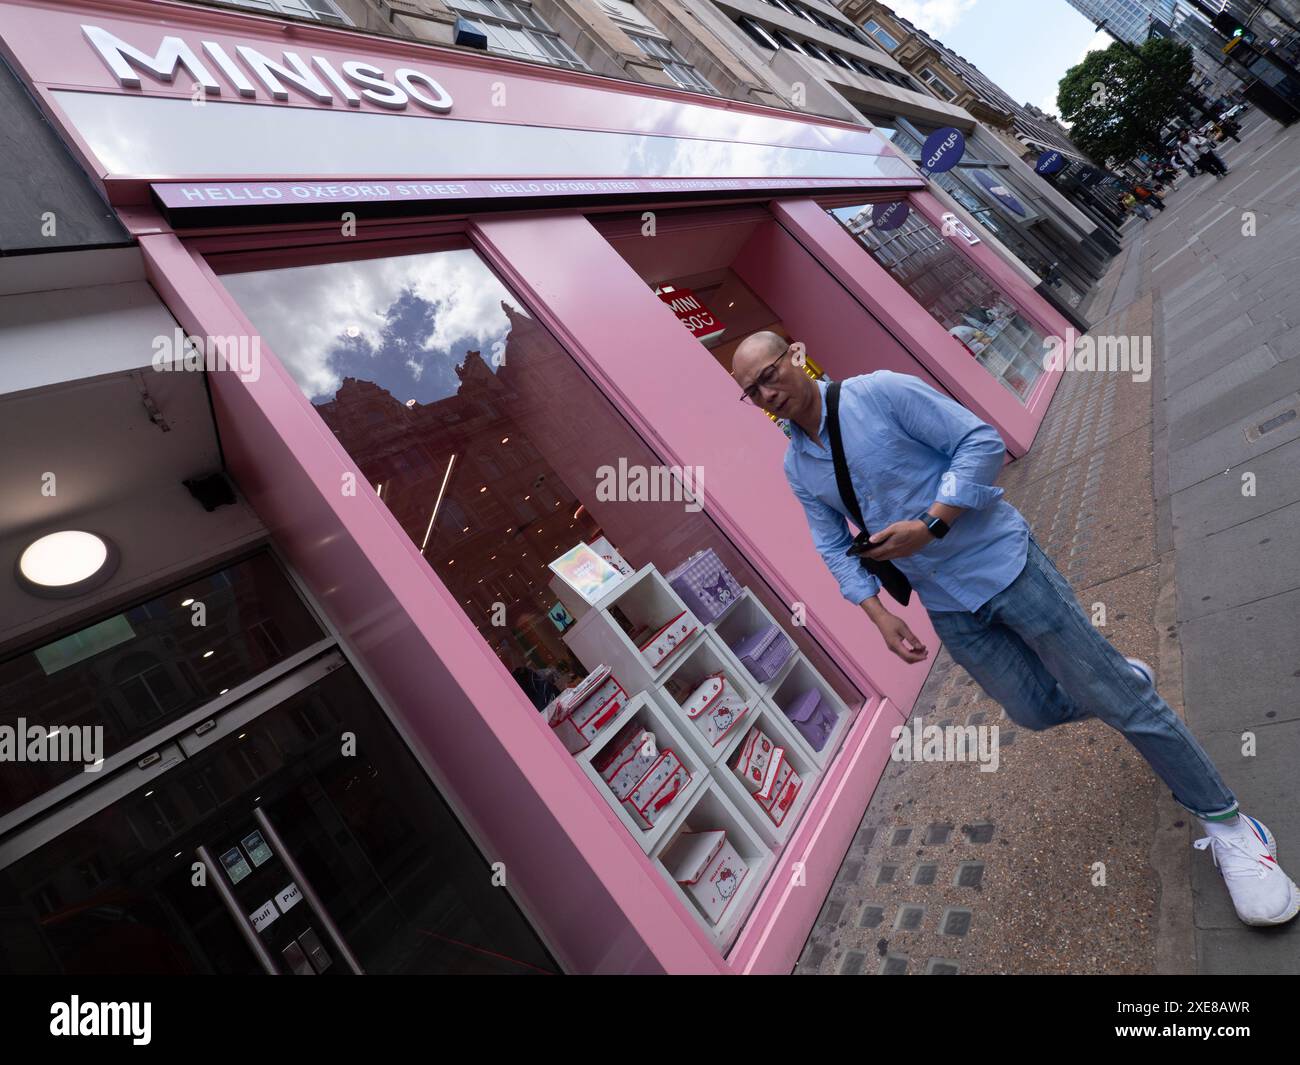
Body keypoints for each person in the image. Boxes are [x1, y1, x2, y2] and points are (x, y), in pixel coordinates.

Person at [730, 332, 1299, 928]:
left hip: (1006, 565)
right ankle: (1118, 681)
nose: (768, 393)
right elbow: (830, 541)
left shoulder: (880, 393)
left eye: (769, 374)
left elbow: (978, 441)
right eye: (753, 392)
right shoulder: (797, 464)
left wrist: (932, 523)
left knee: (1124, 705)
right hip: (946, 603)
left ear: (796, 355)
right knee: (1032, 709)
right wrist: (879, 614)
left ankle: (1231, 824)